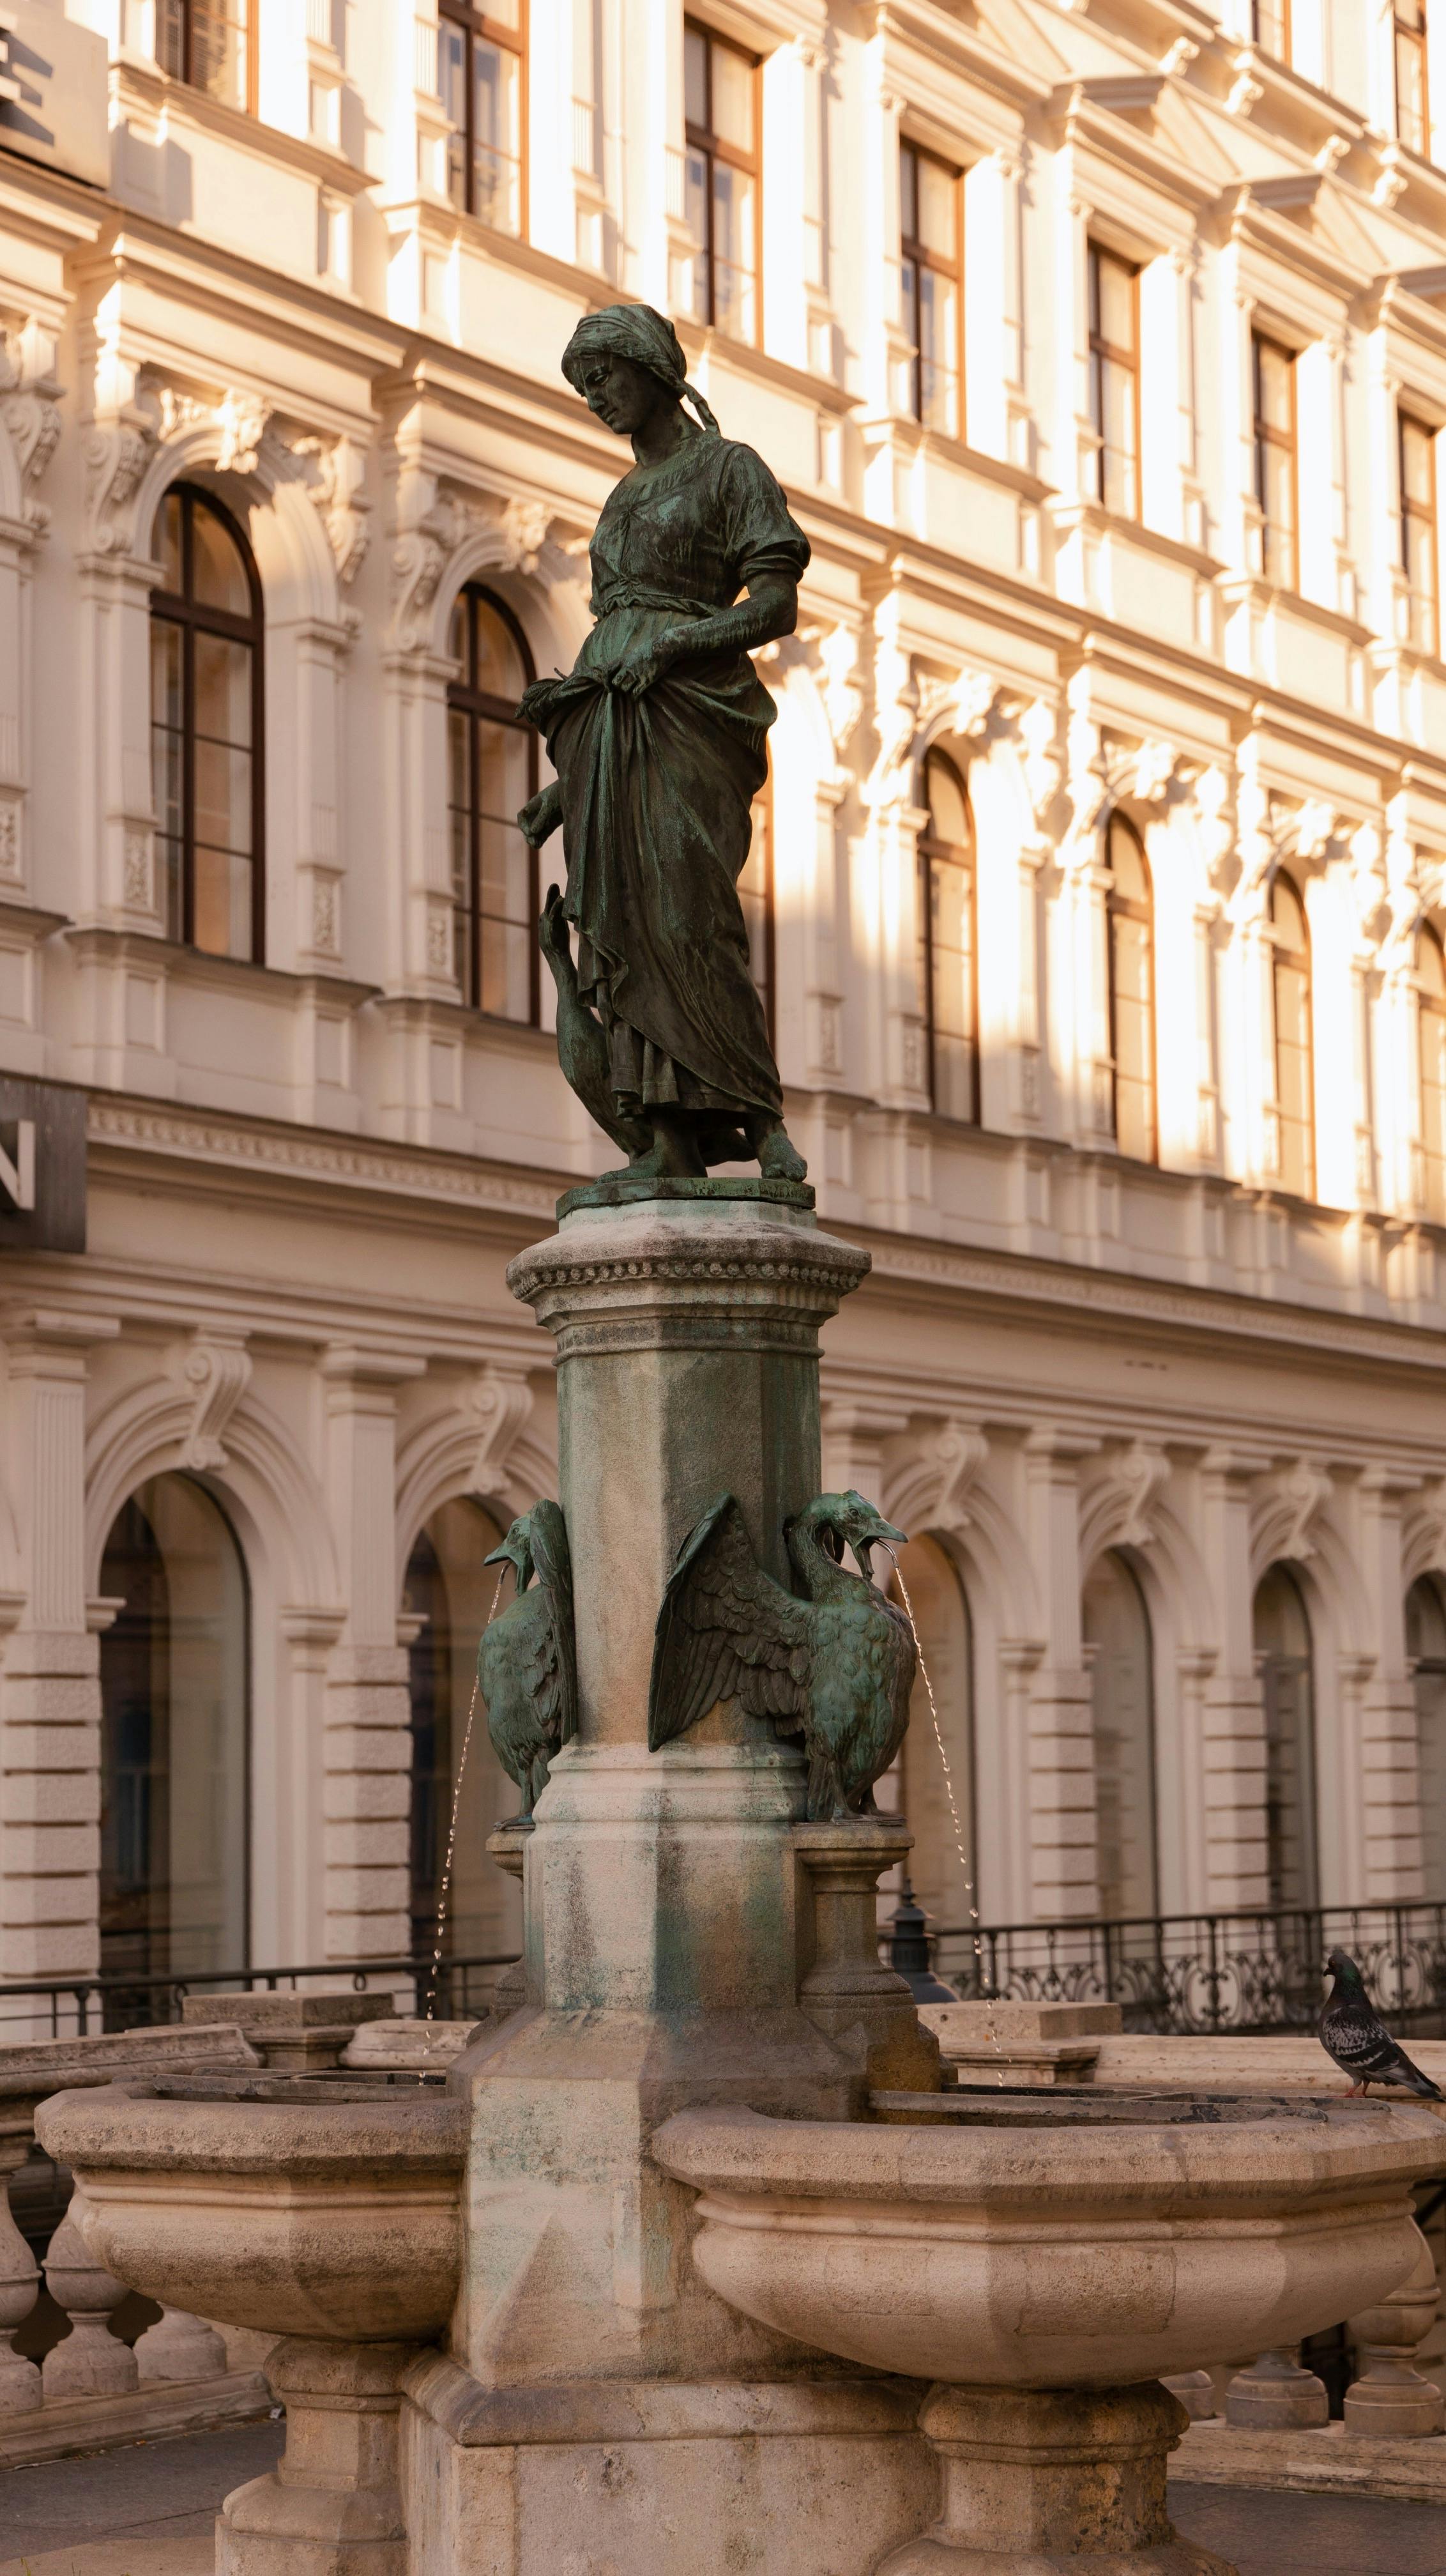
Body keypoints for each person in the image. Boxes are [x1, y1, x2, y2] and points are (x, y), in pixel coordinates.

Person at [517, 304, 809, 1183]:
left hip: (692, 708)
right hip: (611, 726)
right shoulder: (620, 499)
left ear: (650, 366)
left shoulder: (730, 470)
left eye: (603, 378)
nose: (595, 399)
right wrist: (564, 786)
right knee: (623, 928)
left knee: (692, 914)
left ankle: (761, 1122)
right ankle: (668, 1137)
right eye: (583, 389)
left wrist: (674, 645)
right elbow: (614, 635)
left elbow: (775, 604)